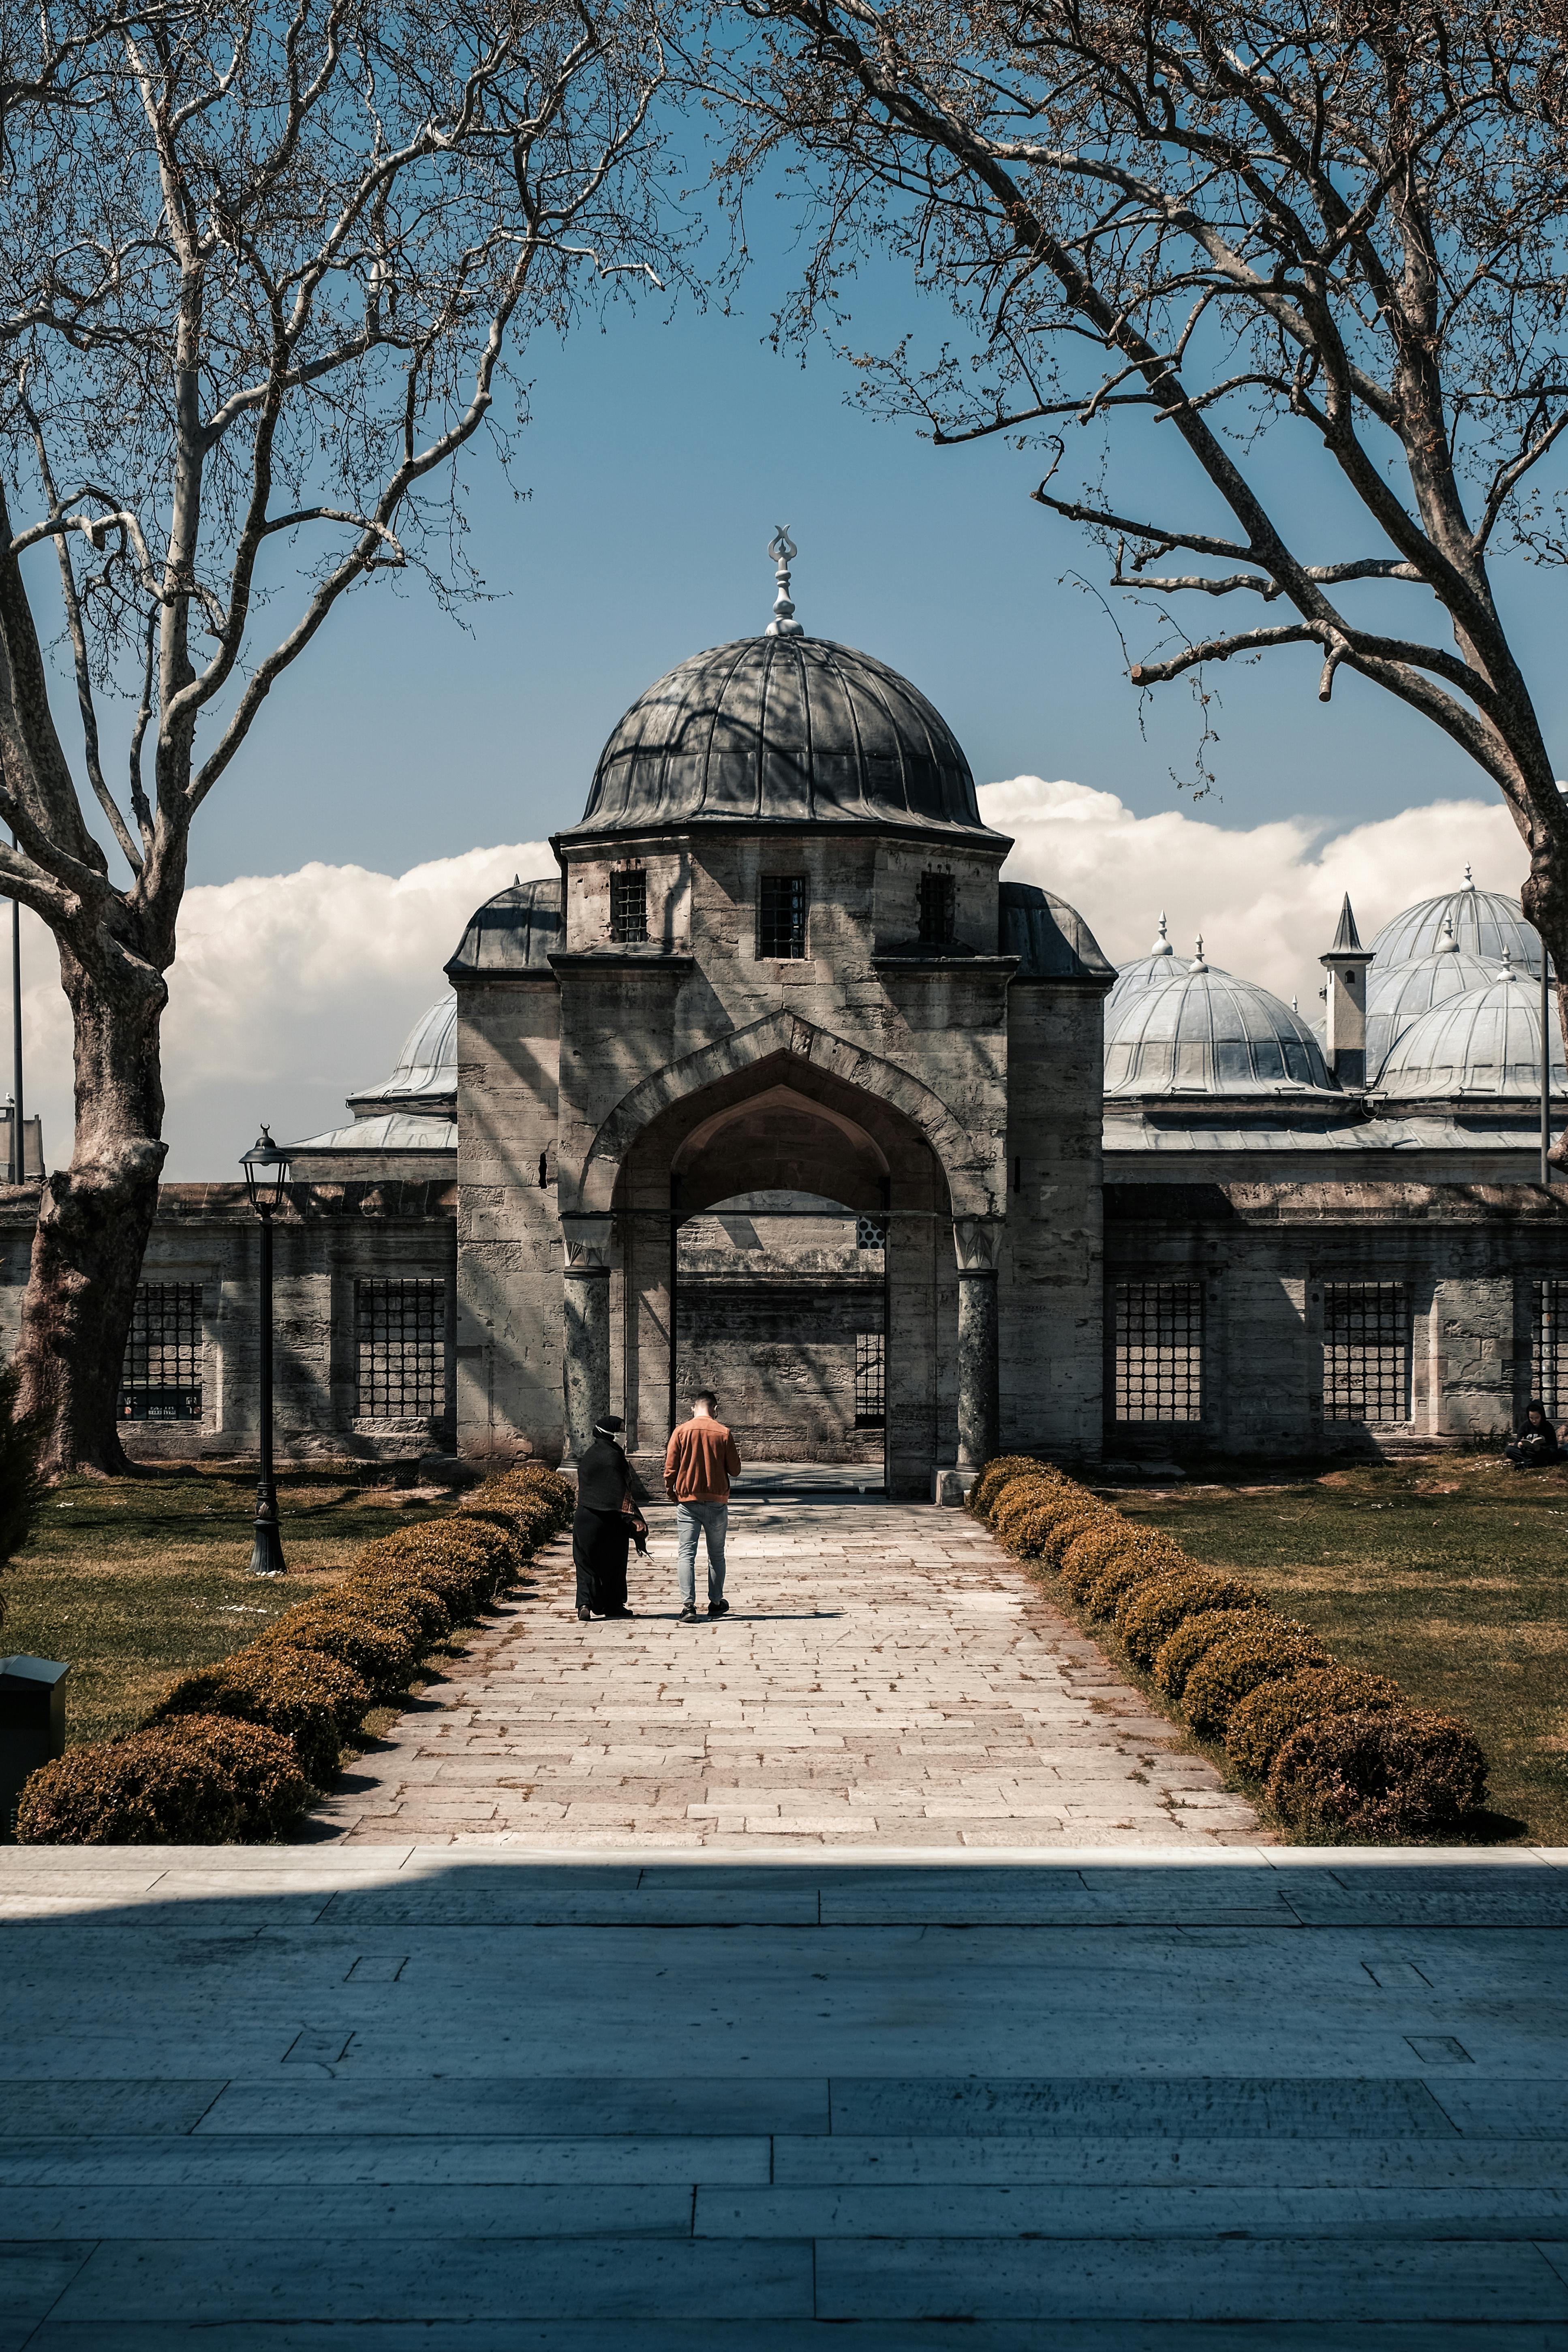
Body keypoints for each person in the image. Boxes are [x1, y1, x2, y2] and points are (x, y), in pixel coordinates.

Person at [664, 1389, 742, 1624]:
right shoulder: (724, 1433)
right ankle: (716, 1602)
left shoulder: (681, 1432)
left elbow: (670, 1470)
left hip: (688, 1501)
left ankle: (688, 1606)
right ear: (715, 1410)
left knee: (686, 1553)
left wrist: (672, 1494)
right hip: (717, 1502)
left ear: (693, 1409)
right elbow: (735, 1470)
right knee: (716, 1555)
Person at [571, 1415, 648, 1621]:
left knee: (586, 1564)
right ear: (608, 1432)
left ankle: (585, 1604)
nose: (623, 1435)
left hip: (585, 1518)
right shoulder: (615, 1457)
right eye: (620, 1430)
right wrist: (633, 1518)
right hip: (610, 1522)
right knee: (613, 1565)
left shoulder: (589, 1455)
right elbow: (619, 1493)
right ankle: (613, 1606)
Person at [1505, 1399, 1561, 1472]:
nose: (1534, 1421)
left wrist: (1540, 1449)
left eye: (1537, 1418)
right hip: (1528, 1452)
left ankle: (1525, 1464)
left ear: (1542, 1416)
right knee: (1509, 1450)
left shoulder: (1548, 1427)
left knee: (1552, 1455)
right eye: (1531, 1418)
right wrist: (1519, 1444)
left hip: (1542, 1453)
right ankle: (1535, 1463)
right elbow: (1518, 1441)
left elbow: (1553, 1447)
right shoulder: (1524, 1426)